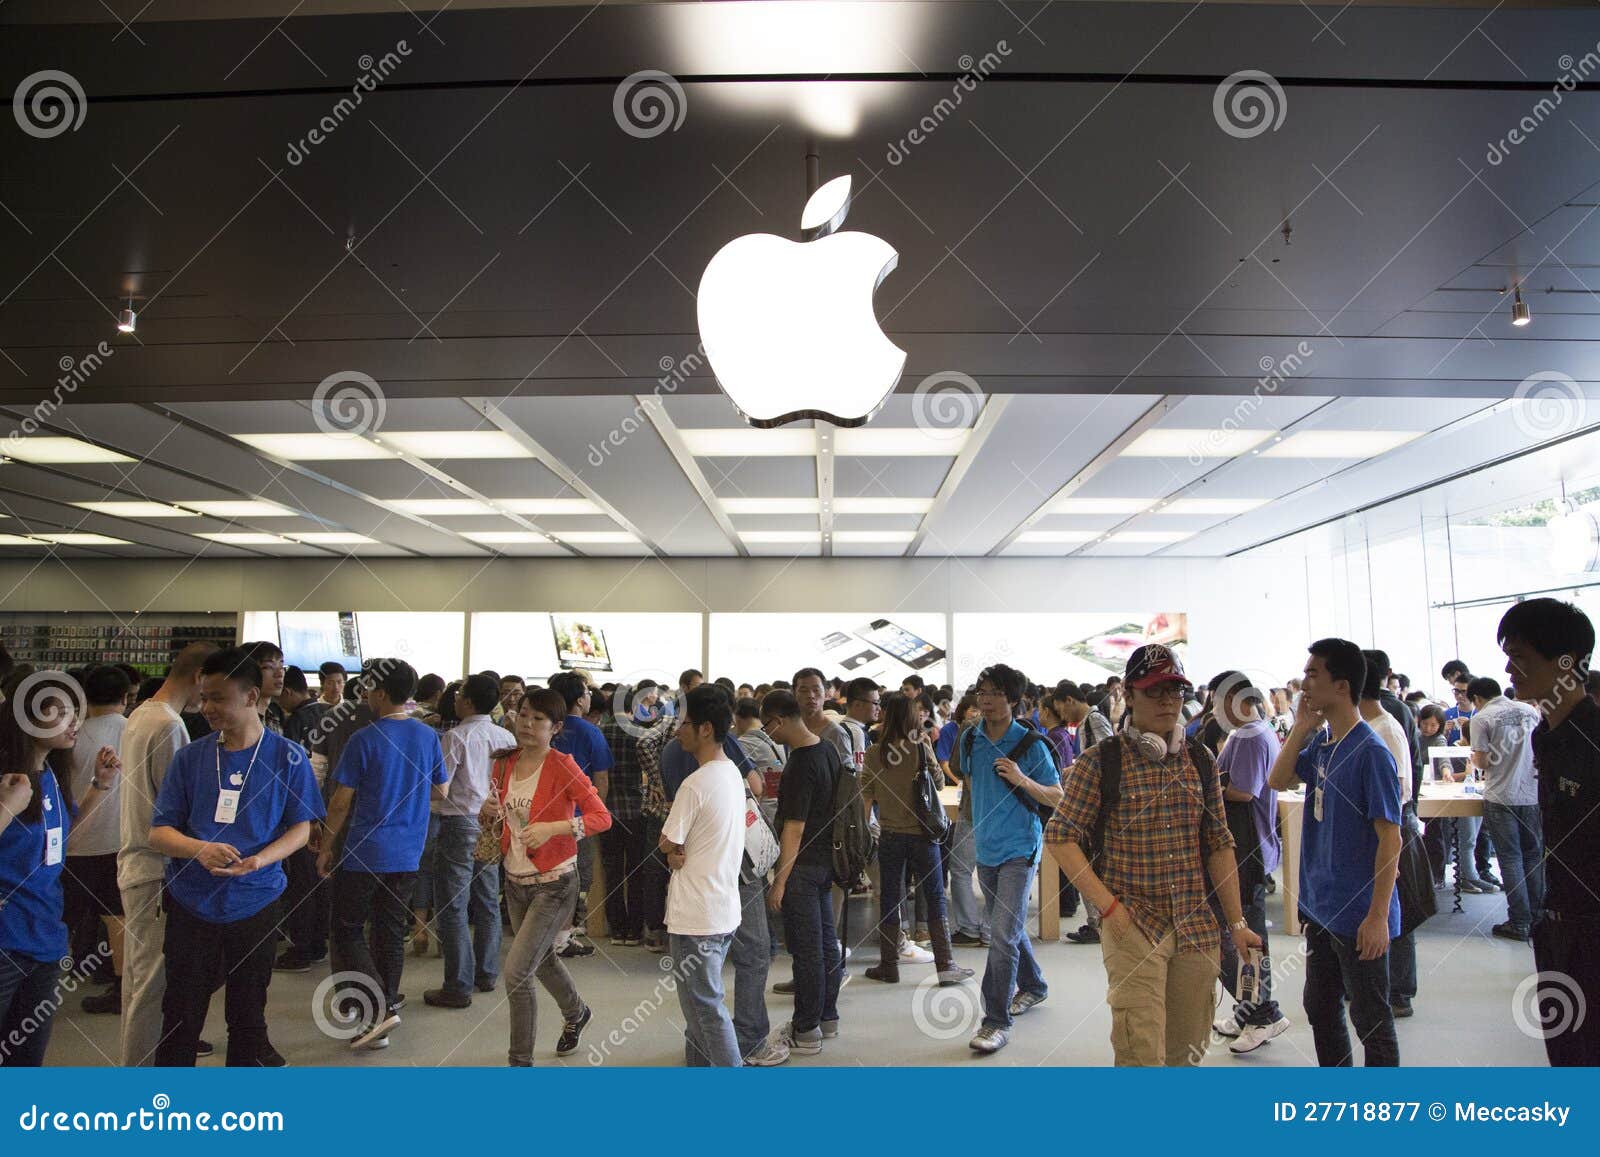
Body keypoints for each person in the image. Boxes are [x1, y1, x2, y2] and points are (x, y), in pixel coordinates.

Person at [1048, 648, 1258, 1066]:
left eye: (1175, 691)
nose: (1167, 701)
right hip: (1134, 926)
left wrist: (1237, 923)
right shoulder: (1100, 761)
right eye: (1154, 691)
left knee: (1187, 1053)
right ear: (1129, 695)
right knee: (1140, 1053)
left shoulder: (1200, 759)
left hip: (1196, 929)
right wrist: (1109, 909)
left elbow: (1219, 842)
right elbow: (1060, 837)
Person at [148, 648, 324, 1066]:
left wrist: (261, 859)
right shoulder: (191, 757)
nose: (207, 707)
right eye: (204, 698)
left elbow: (301, 828)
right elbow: (158, 832)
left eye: (218, 698)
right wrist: (199, 849)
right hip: (192, 903)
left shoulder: (288, 757)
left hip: (256, 901)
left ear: (250, 696)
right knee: (180, 1016)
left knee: (247, 1017)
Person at [1268, 639, 1401, 1067]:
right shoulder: (1325, 744)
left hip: (1359, 912)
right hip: (1322, 908)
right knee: (1320, 1007)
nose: (1304, 683)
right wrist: (1301, 728)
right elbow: (1277, 780)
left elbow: (1391, 839)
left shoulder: (1372, 752)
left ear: (1341, 686)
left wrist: (1378, 917)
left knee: (1371, 1019)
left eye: (1313, 674)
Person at [483, 688, 611, 1066]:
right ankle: (577, 1012)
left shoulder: (562, 765)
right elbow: (500, 819)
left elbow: (601, 817)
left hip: (554, 883)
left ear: (555, 727)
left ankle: (519, 1061)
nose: (527, 723)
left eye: (538, 719)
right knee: (540, 961)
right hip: (514, 879)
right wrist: (487, 810)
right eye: (523, 714)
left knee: (516, 972)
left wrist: (554, 828)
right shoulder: (503, 763)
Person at [1497, 598, 1599, 1065]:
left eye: (1520, 657)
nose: (1509, 669)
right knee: (1565, 1053)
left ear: (1564, 662)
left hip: (1591, 928)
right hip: (1555, 922)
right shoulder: (1543, 734)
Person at [2, 673, 119, 1066]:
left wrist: (99, 786)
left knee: (27, 1057)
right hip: (7, 938)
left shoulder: (50, 773)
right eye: (62, 712)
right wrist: (8, 807)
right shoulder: (9, 783)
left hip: (46, 937)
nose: (75, 723)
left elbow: (62, 835)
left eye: (76, 713)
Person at [116, 642, 217, 1065]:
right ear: (198, 678)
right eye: (210, 691)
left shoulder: (140, 714)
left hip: (136, 862)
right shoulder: (169, 725)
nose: (208, 702)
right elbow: (176, 807)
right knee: (152, 987)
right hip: (156, 868)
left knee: (137, 980)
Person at [959, 663, 1062, 1054]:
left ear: (1015, 700)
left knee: (1000, 934)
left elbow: (1057, 795)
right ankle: (1033, 985)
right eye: (982, 692)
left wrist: (1021, 779)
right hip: (986, 846)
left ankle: (995, 1022)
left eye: (995, 693)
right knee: (1010, 927)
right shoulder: (971, 738)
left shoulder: (1031, 743)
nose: (986, 700)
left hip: (1021, 847)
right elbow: (970, 782)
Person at [659, 685, 748, 1066]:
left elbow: (667, 840)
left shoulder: (694, 784)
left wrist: (672, 850)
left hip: (696, 916)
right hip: (722, 908)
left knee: (706, 1011)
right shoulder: (732, 774)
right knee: (699, 1016)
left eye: (684, 723)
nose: (678, 730)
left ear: (706, 729)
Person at [861, 693, 974, 988]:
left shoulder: (874, 752)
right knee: (935, 896)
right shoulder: (920, 746)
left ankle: (889, 965)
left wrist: (862, 832)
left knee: (890, 898)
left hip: (890, 835)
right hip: (923, 835)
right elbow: (937, 782)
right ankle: (946, 966)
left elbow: (866, 795)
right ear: (912, 717)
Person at [1206, 672, 1288, 1054]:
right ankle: (1249, 1010)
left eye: (1217, 700)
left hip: (1246, 850)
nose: (1214, 709)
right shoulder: (1253, 732)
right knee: (1245, 936)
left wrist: (1208, 787)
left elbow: (1243, 791)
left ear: (1235, 699)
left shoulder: (1252, 737)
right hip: (1249, 847)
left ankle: (1263, 1014)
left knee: (1241, 938)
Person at [762, 688, 846, 1056]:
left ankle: (805, 1028)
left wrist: (779, 881)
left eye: (767, 727)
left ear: (779, 721)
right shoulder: (827, 749)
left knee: (808, 951)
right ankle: (827, 1017)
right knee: (826, 944)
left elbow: (794, 828)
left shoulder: (798, 764)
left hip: (802, 866)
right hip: (827, 861)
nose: (768, 734)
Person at [63, 665, 131, 1015]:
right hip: (120, 841)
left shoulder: (72, 734)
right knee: (117, 917)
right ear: (126, 697)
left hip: (74, 841)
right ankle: (121, 989)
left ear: (85, 697)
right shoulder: (135, 731)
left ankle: (35, 986)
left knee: (60, 919)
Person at [1359, 649, 1419, 1019]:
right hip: (1384, 823)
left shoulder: (1388, 724)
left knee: (1396, 910)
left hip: (1393, 822)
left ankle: (1399, 992)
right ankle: (1383, 986)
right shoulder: (1371, 722)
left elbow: (1397, 788)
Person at [1468, 675, 1544, 941]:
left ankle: (1520, 922)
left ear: (1476, 698)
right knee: (1533, 857)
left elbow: (1483, 762)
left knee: (1510, 859)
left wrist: (1475, 759)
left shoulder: (1481, 718)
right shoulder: (1529, 711)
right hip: (1531, 794)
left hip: (1500, 797)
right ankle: (1538, 920)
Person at [548, 671, 612, 957]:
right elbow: (601, 779)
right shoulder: (591, 732)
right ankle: (563, 936)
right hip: (577, 818)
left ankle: (547, 933)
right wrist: (596, 814)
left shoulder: (548, 728)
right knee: (577, 876)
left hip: (543, 816)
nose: (590, 697)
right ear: (578, 700)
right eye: (586, 692)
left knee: (548, 876)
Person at [597, 684, 650, 948]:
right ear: (633, 707)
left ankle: (617, 929)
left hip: (607, 810)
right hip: (637, 810)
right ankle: (635, 930)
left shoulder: (600, 733)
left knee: (613, 871)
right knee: (637, 872)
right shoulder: (641, 733)